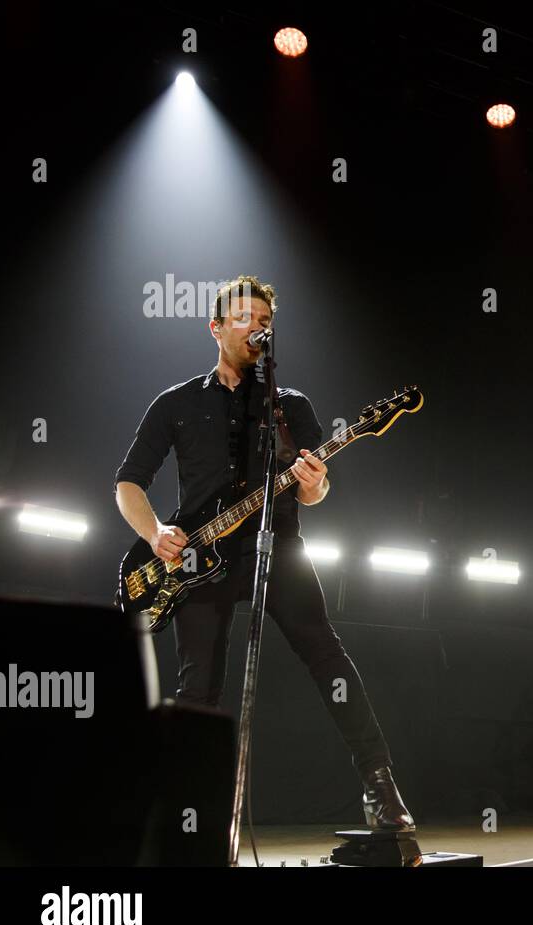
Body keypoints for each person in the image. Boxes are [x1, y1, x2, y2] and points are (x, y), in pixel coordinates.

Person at [114, 275, 413, 830]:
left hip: (280, 550)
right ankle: (190, 812)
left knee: (329, 659)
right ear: (216, 327)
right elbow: (128, 483)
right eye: (246, 317)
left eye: (266, 321)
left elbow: (314, 491)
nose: (258, 327)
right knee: (197, 685)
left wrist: (312, 482)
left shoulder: (290, 405)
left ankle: (380, 787)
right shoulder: (175, 404)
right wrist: (156, 532)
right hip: (196, 561)